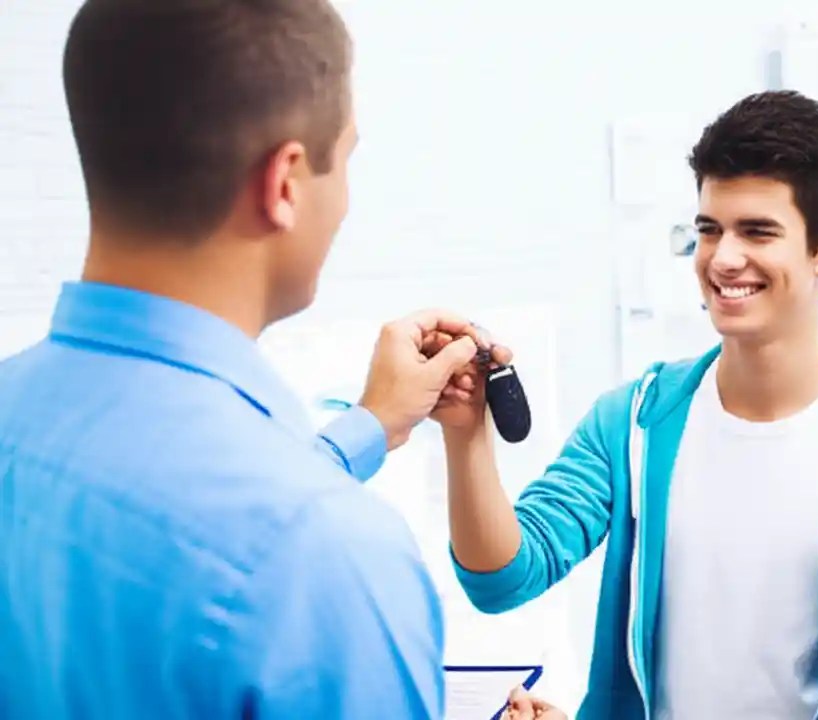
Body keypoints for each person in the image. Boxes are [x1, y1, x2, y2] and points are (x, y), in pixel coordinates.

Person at [0, 1, 527, 717]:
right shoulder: (331, 556)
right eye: (343, 160)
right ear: (284, 184)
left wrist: (370, 425)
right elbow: (263, 538)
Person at [436, 90, 818, 719]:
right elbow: (503, 578)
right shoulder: (633, 424)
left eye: (758, 232)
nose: (723, 258)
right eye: (709, 229)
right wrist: (464, 434)